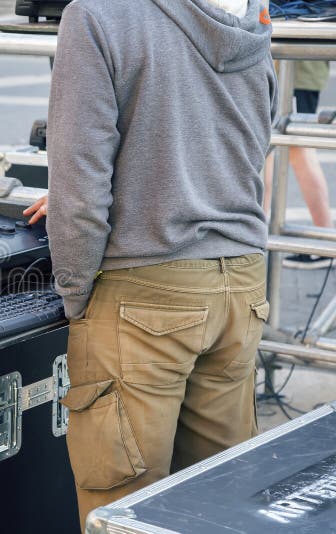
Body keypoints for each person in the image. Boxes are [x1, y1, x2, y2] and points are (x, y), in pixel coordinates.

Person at [23, 0, 275, 528]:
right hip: (241, 285)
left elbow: (78, 185)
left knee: (123, 512)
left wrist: (78, 299)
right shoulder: (249, 12)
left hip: (144, 289)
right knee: (218, 505)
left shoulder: (97, 14)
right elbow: (241, 144)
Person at [265, 60, 334, 270]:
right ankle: (255, 229)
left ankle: (326, 239)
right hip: (291, 69)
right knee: (267, 145)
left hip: (295, 71)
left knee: (298, 150)